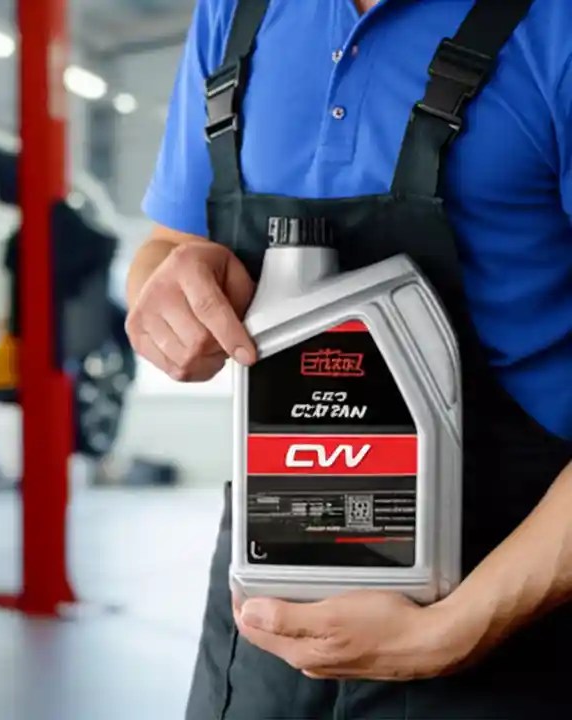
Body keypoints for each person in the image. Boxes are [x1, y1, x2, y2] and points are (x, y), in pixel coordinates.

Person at [124, 0, 572, 717]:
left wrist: (452, 633)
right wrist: (169, 291)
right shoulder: (235, 13)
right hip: (265, 600)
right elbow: (165, 247)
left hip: (509, 600)